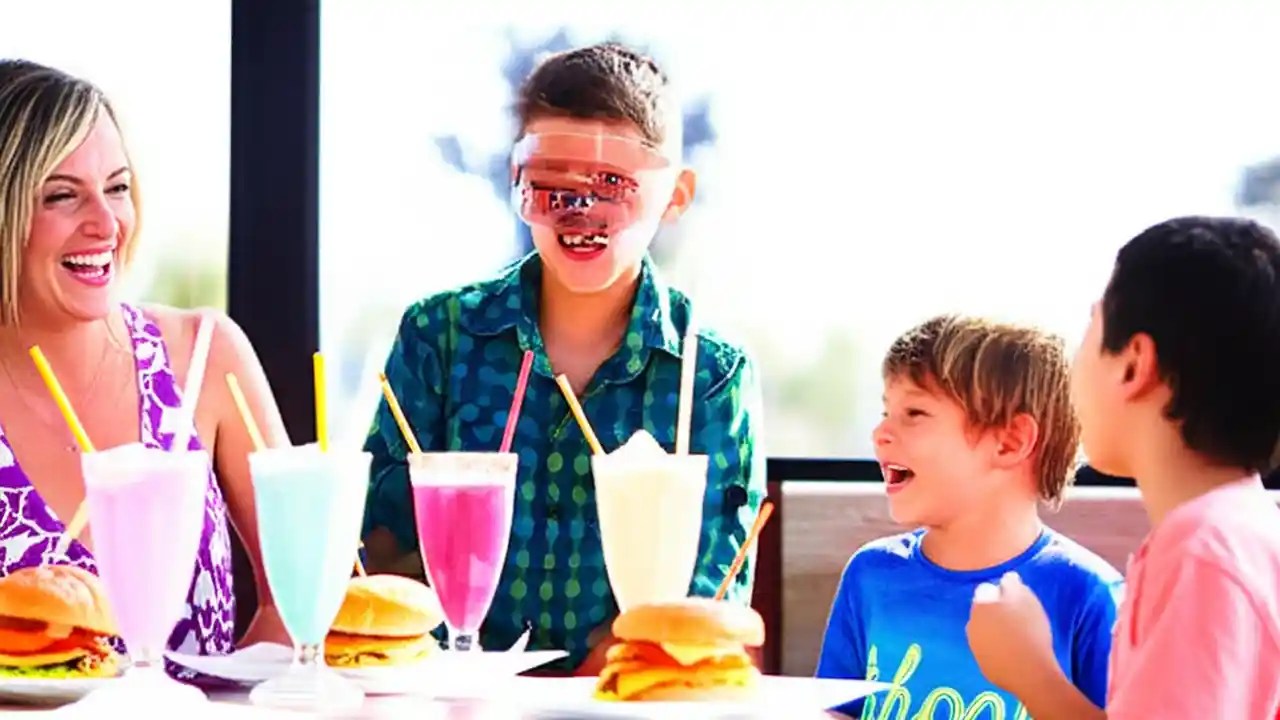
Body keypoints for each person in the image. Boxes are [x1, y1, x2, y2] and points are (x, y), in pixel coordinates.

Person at [363, 42, 766, 673]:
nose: (580, 212)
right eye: (552, 184)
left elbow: (708, 596)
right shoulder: (437, 334)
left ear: (676, 193)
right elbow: (380, 550)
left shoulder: (710, 371)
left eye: (613, 185)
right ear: (516, 181)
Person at [0, 59, 291, 677]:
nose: (106, 225)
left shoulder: (206, 356)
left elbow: (297, 609)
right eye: (61, 195)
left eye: (117, 187)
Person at [967, 216, 1280, 719]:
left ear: (1134, 365)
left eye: (1089, 330)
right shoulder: (1243, 528)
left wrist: (1031, 673)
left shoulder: (1202, 552)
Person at [817, 315, 1123, 719]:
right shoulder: (869, 574)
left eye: (915, 413)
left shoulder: (1089, 594)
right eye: (886, 411)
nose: (880, 433)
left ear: (1010, 442)